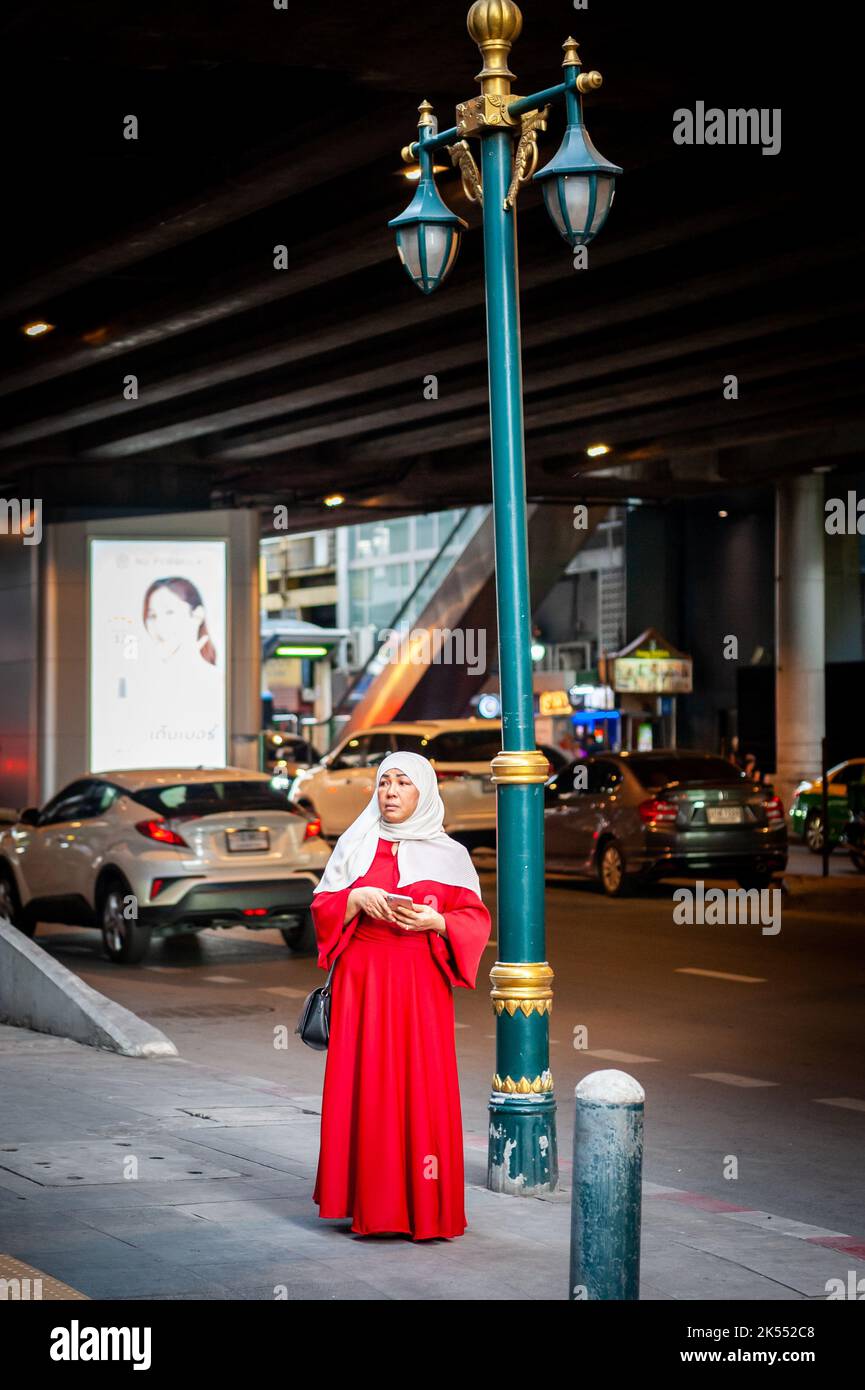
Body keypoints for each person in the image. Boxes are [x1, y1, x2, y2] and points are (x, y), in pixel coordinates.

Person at [309, 750, 492, 1241]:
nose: (390, 792)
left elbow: (474, 919)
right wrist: (353, 899)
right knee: (364, 1083)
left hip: (419, 984)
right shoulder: (355, 842)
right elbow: (323, 906)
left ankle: (423, 1208)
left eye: (402, 783)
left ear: (424, 793)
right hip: (361, 982)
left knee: (420, 1083)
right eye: (384, 782)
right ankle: (366, 1203)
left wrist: (439, 921)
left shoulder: (450, 854)